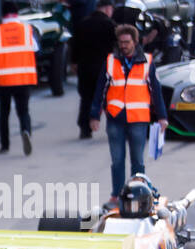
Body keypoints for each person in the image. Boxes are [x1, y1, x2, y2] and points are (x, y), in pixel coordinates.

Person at [89, 24, 168, 206]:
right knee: (117, 160)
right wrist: (95, 115)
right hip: (116, 118)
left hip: (138, 119)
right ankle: (116, 195)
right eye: (121, 42)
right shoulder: (111, 61)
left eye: (127, 42)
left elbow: (156, 91)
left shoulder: (147, 61)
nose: (123, 45)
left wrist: (162, 117)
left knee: (137, 162)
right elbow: (100, 89)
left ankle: (138, 194)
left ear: (135, 42)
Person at [0, 2, 37, 155]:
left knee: (4, 113)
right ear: (17, 13)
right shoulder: (26, 29)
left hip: (3, 80)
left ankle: (5, 145)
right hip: (23, 78)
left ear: (2, 14)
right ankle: (26, 131)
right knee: (23, 111)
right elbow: (35, 48)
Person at [72, 0, 116, 139]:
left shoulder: (82, 24)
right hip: (105, 68)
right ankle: (113, 128)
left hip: (85, 68)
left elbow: (75, 46)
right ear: (108, 9)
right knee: (109, 98)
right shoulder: (110, 25)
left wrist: (74, 63)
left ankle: (85, 129)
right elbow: (116, 48)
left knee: (86, 99)